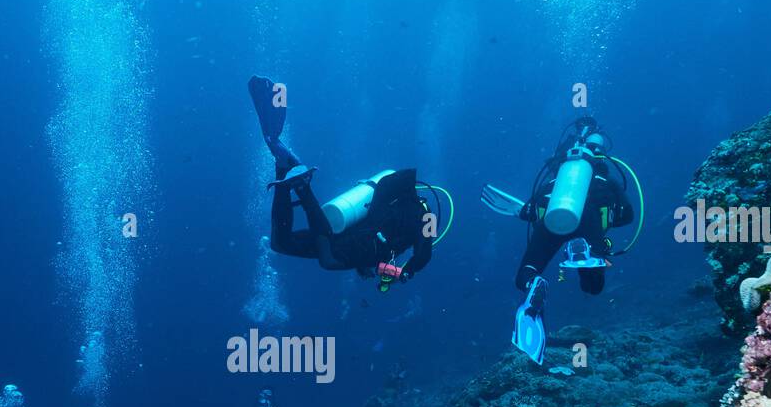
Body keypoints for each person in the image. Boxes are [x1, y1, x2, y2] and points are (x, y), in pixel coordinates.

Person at [248, 75, 443, 291]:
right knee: (329, 259)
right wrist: (407, 272)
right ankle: (302, 186)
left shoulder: (399, 199)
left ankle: (282, 166)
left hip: (354, 231)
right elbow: (424, 255)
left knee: (281, 243)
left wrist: (365, 264)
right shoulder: (429, 217)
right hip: (364, 239)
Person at [482, 116, 639, 364]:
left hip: (552, 221)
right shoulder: (605, 181)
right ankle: (582, 251)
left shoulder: (552, 184)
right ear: (600, 161)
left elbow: (529, 213)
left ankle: (534, 284)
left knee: (526, 272)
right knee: (592, 286)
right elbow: (628, 216)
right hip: (590, 223)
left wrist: (520, 210)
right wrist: (604, 225)